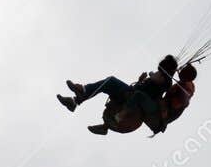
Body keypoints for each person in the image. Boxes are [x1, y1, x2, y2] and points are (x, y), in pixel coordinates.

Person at [57, 54, 191, 137]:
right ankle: (76, 100)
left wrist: (153, 76)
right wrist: (140, 80)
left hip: (136, 100)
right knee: (110, 82)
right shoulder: (159, 77)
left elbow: (156, 83)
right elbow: (144, 86)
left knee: (116, 84)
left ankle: (105, 124)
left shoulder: (166, 81)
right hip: (132, 94)